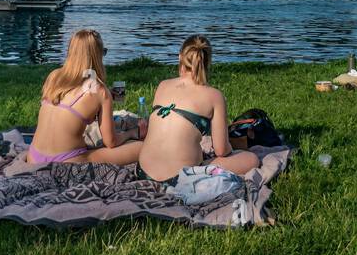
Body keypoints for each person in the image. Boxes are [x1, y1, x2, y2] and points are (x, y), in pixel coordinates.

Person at [136, 35, 258, 186]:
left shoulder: (163, 85)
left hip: (142, 172)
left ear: (180, 57)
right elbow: (222, 151)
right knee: (252, 159)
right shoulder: (214, 96)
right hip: (179, 179)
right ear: (208, 62)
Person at [26, 29, 143, 165]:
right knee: (141, 148)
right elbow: (111, 142)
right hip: (65, 161)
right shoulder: (100, 91)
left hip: (33, 156)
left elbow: (72, 99)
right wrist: (133, 133)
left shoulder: (54, 76)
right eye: (102, 53)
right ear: (96, 56)